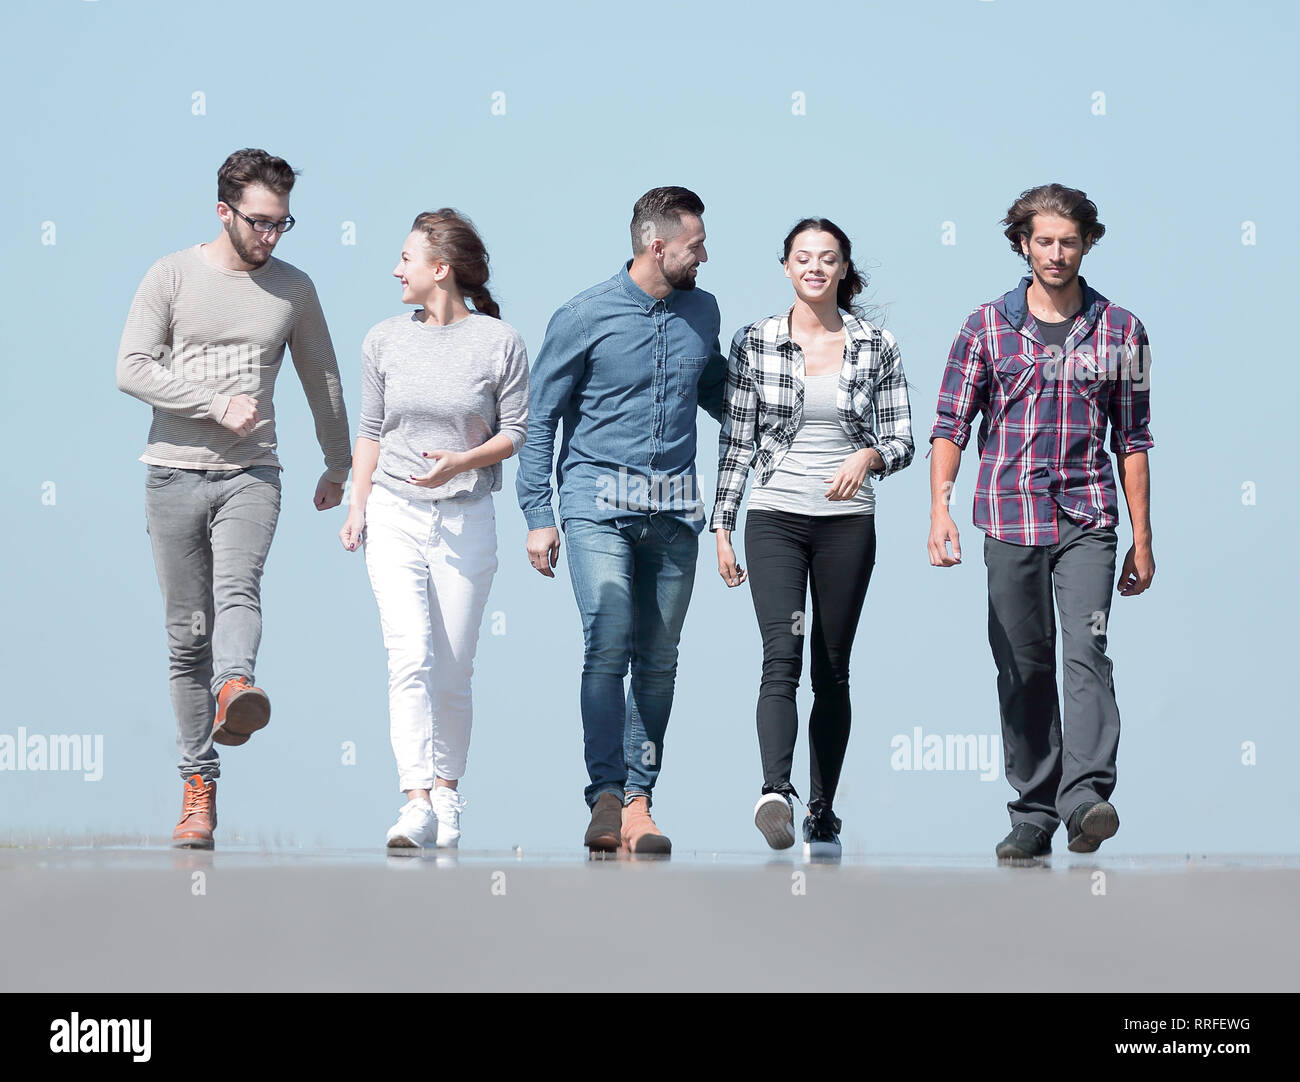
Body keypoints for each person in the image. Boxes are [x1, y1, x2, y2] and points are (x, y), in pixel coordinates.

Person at [116, 148, 352, 849]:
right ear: (224, 212)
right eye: (259, 222)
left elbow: (322, 377)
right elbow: (131, 368)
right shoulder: (170, 275)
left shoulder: (293, 289)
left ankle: (237, 687)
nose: (270, 236)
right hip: (171, 473)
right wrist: (214, 403)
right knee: (186, 636)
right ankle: (198, 787)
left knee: (238, 589)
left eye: (282, 223)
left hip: (253, 473)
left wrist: (338, 464)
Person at [927, 183, 1154, 862]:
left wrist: (1143, 538)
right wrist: (939, 508)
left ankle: (1086, 800)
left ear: (1087, 245)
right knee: (1022, 666)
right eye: (1045, 241)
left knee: (1087, 653)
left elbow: (1134, 439)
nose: (1057, 253)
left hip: (1088, 517)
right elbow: (950, 425)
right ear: (1023, 244)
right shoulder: (984, 327)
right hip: (1008, 516)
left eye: (1069, 242)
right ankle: (1033, 812)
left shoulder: (1122, 330)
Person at [516, 186, 726, 855]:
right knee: (608, 640)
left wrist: (787, 412)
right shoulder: (582, 316)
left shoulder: (704, 311)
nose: (705, 256)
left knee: (658, 662)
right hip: (596, 505)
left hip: (675, 512)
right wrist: (539, 514)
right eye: (696, 245)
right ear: (656, 246)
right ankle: (606, 793)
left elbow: (714, 388)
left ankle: (639, 803)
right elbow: (541, 419)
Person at [712, 218, 913, 858]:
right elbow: (737, 440)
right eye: (803, 258)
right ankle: (776, 792)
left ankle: (823, 813)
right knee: (782, 654)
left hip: (847, 525)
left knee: (831, 666)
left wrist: (869, 457)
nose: (815, 268)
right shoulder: (756, 341)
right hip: (775, 515)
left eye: (828, 258)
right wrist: (722, 525)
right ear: (786, 267)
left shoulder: (876, 344)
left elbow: (903, 438)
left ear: (844, 269)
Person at [339, 210, 529, 851]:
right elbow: (370, 431)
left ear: (440, 268)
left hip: (466, 516)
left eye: (406, 259)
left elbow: (515, 432)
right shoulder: (382, 340)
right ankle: (415, 800)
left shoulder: (500, 342)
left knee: (453, 668)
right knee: (408, 654)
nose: (396, 270)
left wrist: (461, 461)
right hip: (394, 511)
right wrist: (357, 505)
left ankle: (447, 793)